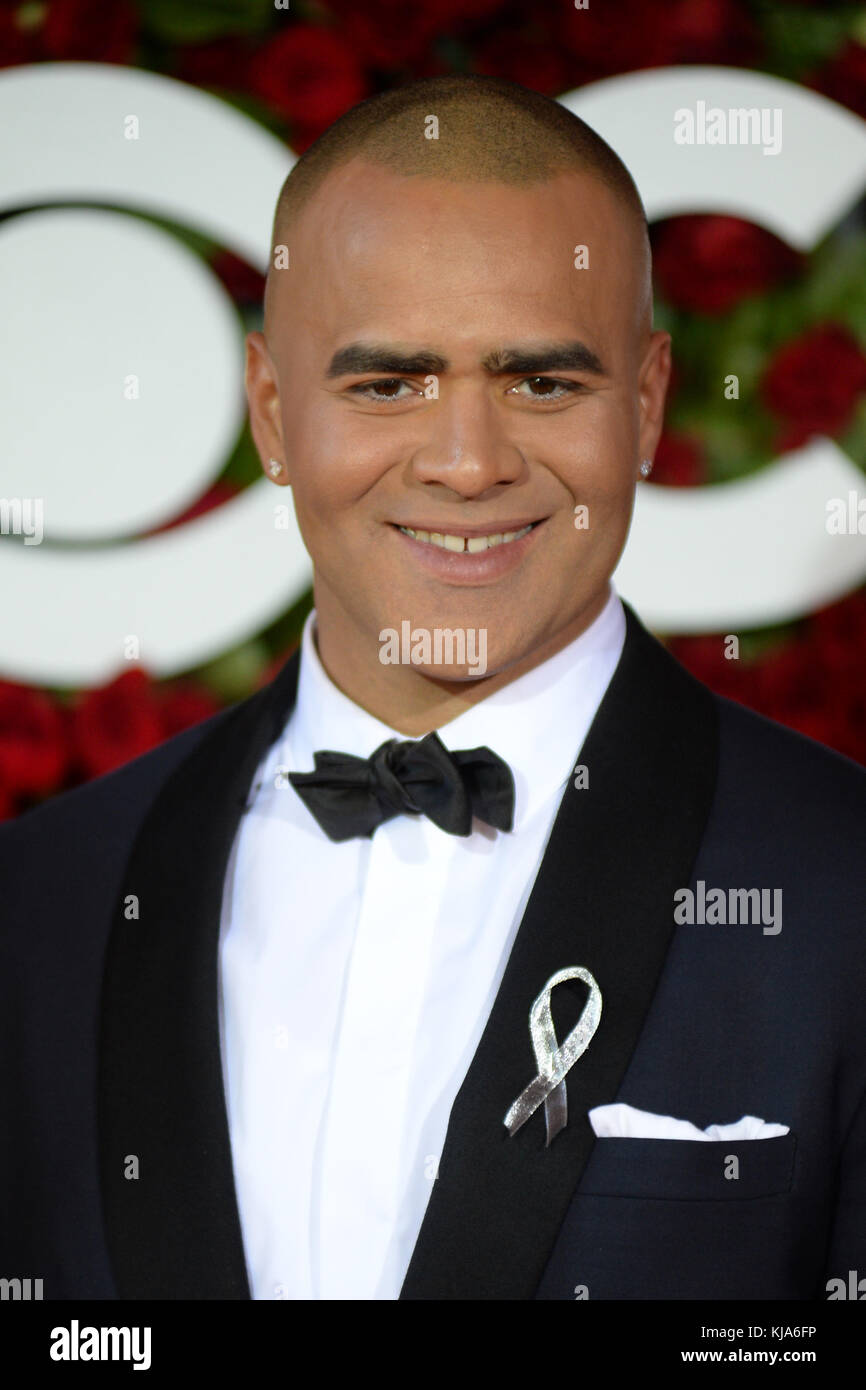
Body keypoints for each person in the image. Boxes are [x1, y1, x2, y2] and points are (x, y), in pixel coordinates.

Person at [1, 74, 864, 1302]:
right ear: (271, 411)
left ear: (647, 403)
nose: (467, 462)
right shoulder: (43, 903)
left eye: (542, 382)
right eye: (387, 382)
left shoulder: (840, 890)